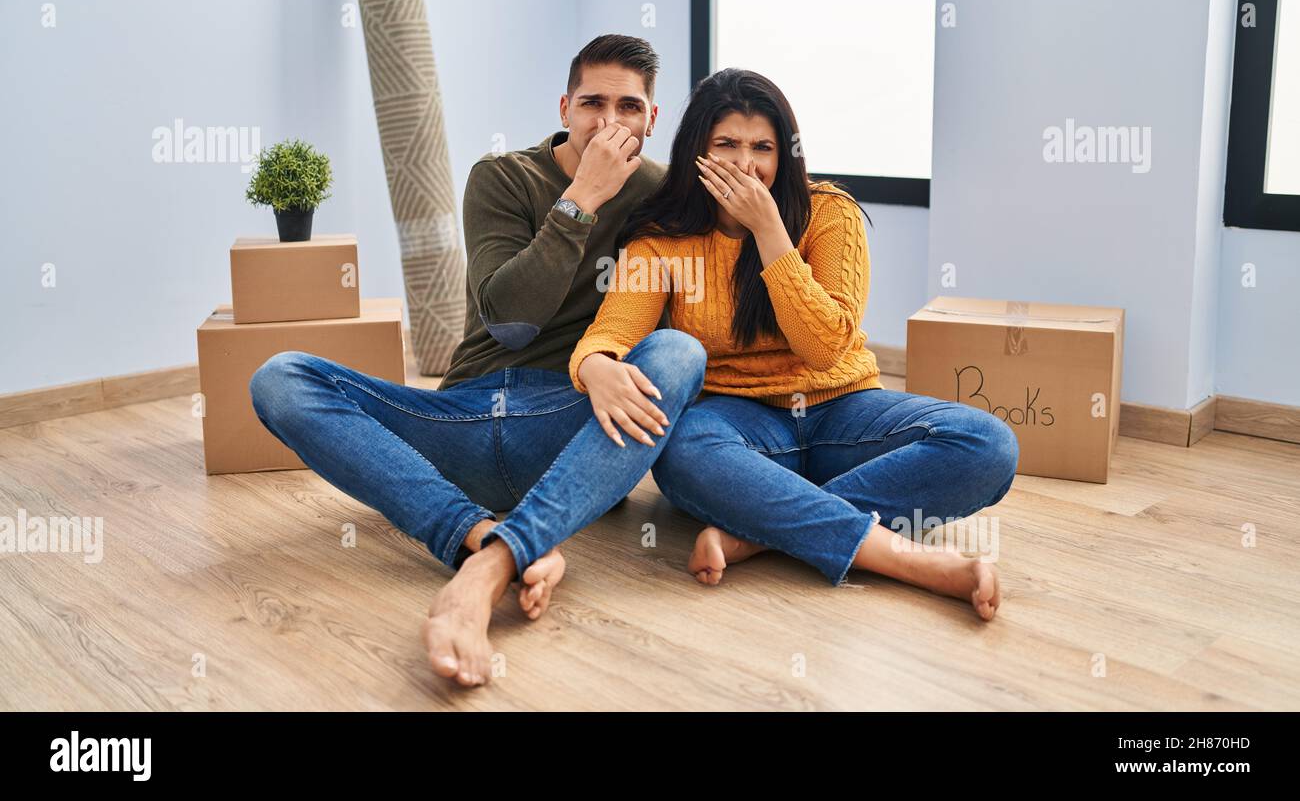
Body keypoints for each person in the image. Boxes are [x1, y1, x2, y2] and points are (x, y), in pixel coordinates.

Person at [249, 35, 706, 687]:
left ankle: (487, 569)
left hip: (569, 419)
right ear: (564, 107)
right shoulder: (503, 176)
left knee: (679, 353)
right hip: (460, 417)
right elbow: (512, 324)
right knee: (281, 377)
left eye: (628, 107)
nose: (609, 123)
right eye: (591, 103)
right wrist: (581, 199)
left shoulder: (665, 195)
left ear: (652, 119)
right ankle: (477, 533)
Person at [568, 68, 1019, 620]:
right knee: (680, 454)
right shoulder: (663, 240)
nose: (746, 163)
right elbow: (610, 334)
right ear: (695, 152)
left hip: (842, 409)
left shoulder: (830, 212)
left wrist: (770, 231)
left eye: (763, 147)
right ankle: (902, 558)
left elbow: (826, 346)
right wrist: (596, 366)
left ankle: (758, 533)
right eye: (726, 144)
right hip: (740, 422)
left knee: (987, 443)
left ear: (786, 153)